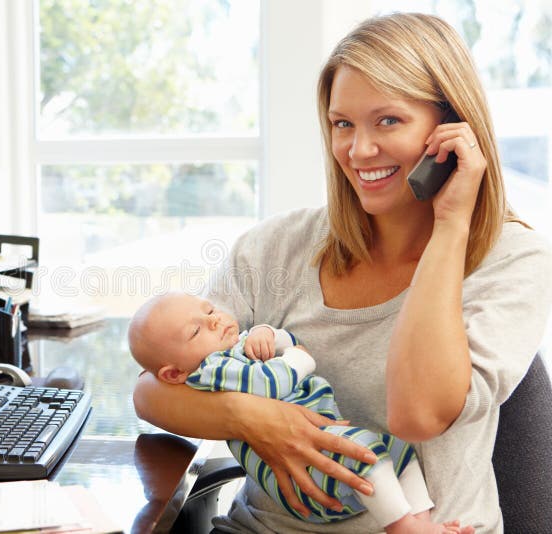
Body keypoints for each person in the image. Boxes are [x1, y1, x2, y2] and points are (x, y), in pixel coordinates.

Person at [133, 12, 552, 534]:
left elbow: (415, 416)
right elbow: (151, 390)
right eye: (342, 124)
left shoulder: (512, 258)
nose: (359, 150)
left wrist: (449, 226)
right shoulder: (276, 248)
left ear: (450, 130)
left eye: (388, 121)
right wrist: (256, 420)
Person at [129, 292, 469, 533]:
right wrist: (299, 357)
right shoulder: (210, 369)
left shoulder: (232, 346)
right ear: (174, 373)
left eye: (209, 310)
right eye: (196, 330)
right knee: (364, 450)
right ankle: (401, 526)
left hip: (327, 446)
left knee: (398, 450)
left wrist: (268, 333)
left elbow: (284, 340)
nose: (214, 320)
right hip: (308, 481)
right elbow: (271, 383)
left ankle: (422, 522)